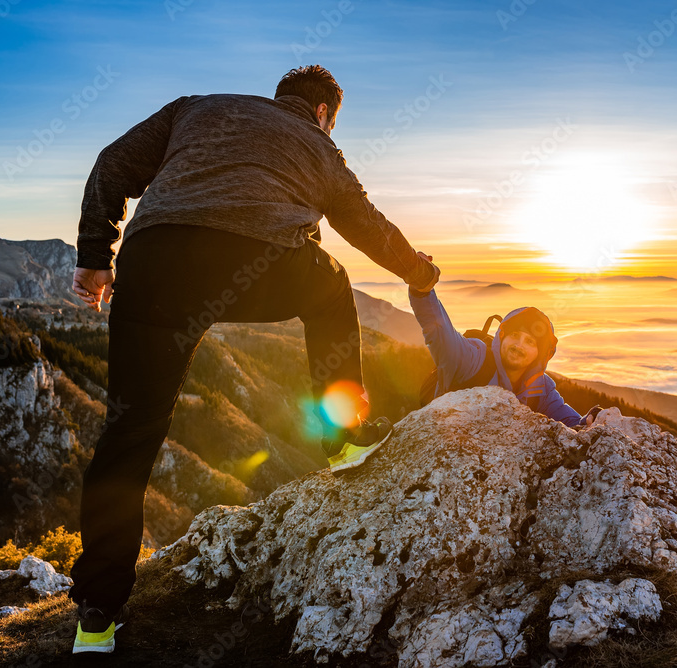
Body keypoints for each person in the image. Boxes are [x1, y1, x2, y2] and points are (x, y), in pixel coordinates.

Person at [67, 65, 440, 654]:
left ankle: (96, 613)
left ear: (281, 99)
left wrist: (95, 255)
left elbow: (111, 163)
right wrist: (422, 273)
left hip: (155, 265)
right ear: (324, 113)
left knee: (129, 432)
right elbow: (370, 229)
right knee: (332, 288)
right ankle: (342, 435)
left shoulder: (194, 107)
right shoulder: (320, 146)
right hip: (257, 265)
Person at [407, 263, 598, 428]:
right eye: (515, 335)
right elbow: (440, 332)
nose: (519, 345)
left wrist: (590, 421)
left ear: (540, 354)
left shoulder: (541, 388)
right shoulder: (474, 360)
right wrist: (422, 289)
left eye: (530, 341)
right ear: (502, 335)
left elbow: (568, 422)